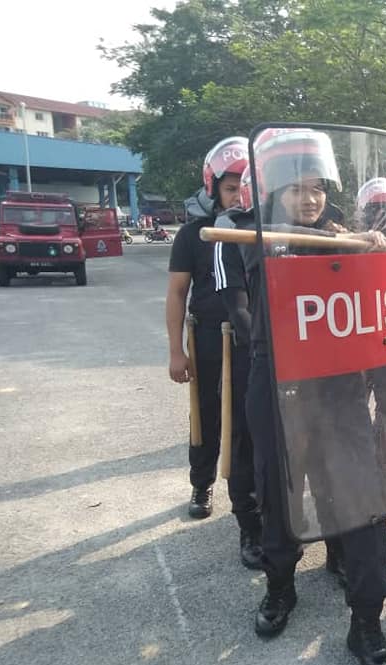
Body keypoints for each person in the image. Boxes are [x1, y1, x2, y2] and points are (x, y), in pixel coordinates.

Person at [214, 127, 386, 665]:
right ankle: (279, 587)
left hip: (340, 389)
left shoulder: (348, 238)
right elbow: (244, 241)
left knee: (361, 496)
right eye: (297, 187)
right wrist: (321, 239)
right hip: (277, 385)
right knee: (279, 489)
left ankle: (366, 618)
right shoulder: (249, 234)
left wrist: (379, 250)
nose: (311, 198)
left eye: (318, 186)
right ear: (271, 191)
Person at [165, 136, 263, 569]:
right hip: (209, 335)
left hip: (250, 338)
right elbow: (176, 292)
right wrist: (175, 352)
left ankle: (255, 506)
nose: (239, 193)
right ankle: (201, 482)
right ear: (212, 188)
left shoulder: (262, 228)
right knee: (207, 414)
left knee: (246, 422)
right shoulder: (192, 234)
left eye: (247, 184)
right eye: (231, 186)